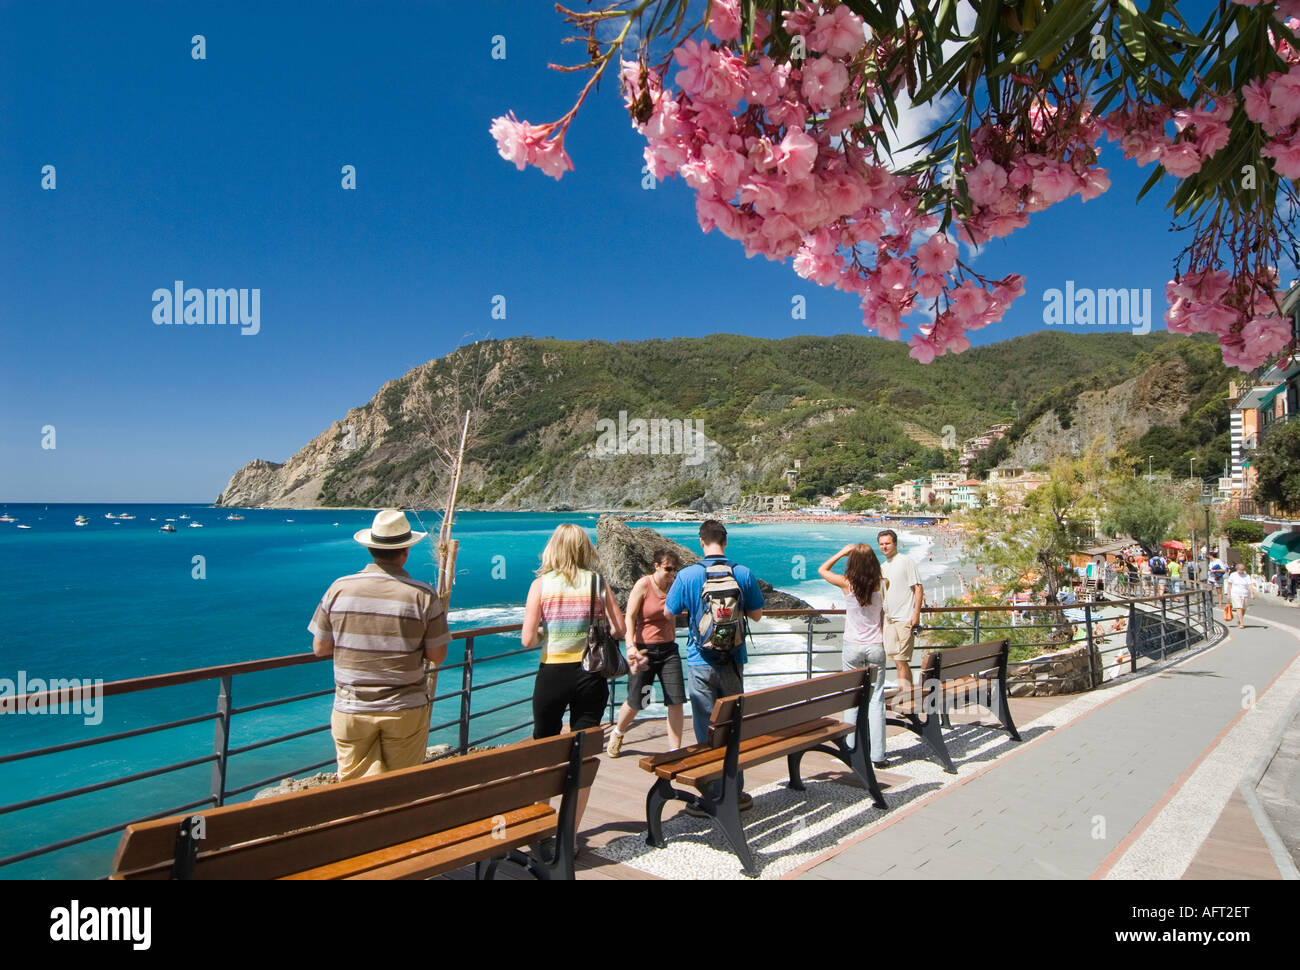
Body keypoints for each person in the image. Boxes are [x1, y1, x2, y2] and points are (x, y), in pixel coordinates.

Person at [310, 509, 451, 781]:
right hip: (404, 708)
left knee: (353, 789)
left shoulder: (338, 588)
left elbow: (320, 648)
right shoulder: (422, 595)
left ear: (371, 549)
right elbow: (437, 655)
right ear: (406, 551)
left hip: (351, 707)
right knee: (401, 787)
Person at [522, 523, 626, 833]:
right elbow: (619, 630)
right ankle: (571, 833)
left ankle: (541, 828)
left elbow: (527, 639)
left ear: (554, 548)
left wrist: (548, 630)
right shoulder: (597, 583)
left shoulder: (541, 585)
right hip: (590, 674)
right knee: (582, 756)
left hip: (553, 672)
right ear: (585, 549)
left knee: (544, 752)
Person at [664, 519, 764, 814]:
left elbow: (669, 611)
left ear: (701, 541)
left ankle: (711, 792)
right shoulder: (742, 572)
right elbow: (757, 614)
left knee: (705, 727)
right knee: (733, 725)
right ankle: (735, 791)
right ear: (726, 540)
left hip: (699, 660)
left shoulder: (687, 575)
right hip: (733, 660)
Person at [607, 548, 686, 757]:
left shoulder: (674, 587)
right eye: (668, 569)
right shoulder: (644, 585)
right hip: (645, 651)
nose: (671, 574)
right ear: (656, 566)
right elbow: (630, 617)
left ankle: (675, 750)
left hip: (669, 650)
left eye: (675, 570)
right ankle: (618, 732)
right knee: (638, 701)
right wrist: (630, 646)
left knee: (676, 700)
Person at [818, 544, 889, 768]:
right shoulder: (883, 583)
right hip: (876, 645)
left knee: (852, 697)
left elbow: (822, 569)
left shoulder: (846, 584)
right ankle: (878, 755)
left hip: (853, 646)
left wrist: (842, 552)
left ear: (852, 563)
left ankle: (852, 748)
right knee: (876, 699)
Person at [877, 529, 923, 691]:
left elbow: (918, 588)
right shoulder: (882, 567)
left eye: (887, 543)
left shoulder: (905, 561)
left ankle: (904, 698)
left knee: (901, 661)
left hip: (905, 618)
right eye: (881, 544)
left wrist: (915, 614)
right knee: (898, 661)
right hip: (889, 621)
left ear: (895, 544)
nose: (884, 547)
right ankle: (906, 695)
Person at [1225, 562, 1255, 628]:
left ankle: (1239, 619)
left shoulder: (1247, 576)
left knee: (1243, 608)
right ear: (1237, 569)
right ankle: (1241, 623)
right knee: (1239, 607)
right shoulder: (1233, 575)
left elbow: (1250, 585)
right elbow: (1229, 585)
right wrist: (1228, 595)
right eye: (1240, 570)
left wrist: (1252, 593)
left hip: (1244, 593)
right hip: (1235, 593)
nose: (1241, 571)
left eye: (1242, 570)